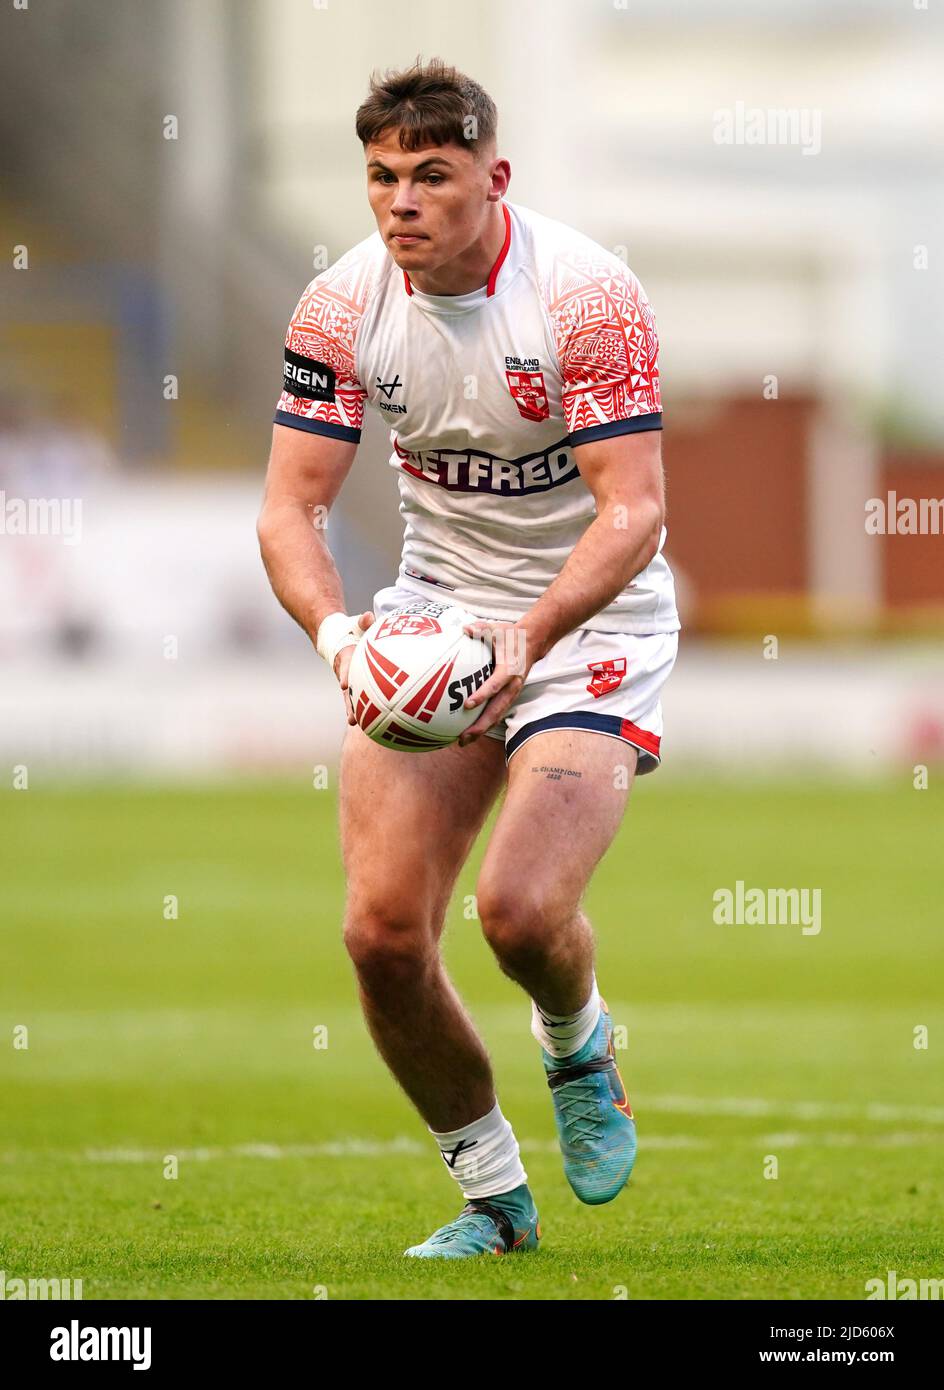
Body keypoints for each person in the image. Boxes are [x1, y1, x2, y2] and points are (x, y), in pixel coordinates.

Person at [257, 57, 679, 1259]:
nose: (399, 201)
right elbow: (289, 508)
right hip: (435, 613)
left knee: (519, 911)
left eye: (430, 176)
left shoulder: (586, 295)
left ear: (492, 180)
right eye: (381, 177)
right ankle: (494, 1201)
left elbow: (631, 510)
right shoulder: (340, 306)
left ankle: (576, 1039)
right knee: (380, 934)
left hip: (586, 626)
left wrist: (526, 639)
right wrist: (342, 637)